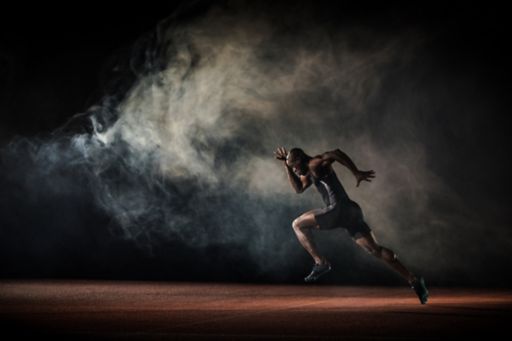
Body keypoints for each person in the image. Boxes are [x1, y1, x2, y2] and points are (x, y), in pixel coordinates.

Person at [274, 146, 429, 304]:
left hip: (337, 210)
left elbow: (336, 153)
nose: (295, 170)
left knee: (297, 224)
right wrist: (286, 166)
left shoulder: (315, 163)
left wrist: (356, 172)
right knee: (376, 250)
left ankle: (320, 262)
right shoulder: (309, 170)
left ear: (300, 160)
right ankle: (414, 280)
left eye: (294, 166)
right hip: (351, 211)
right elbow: (298, 189)